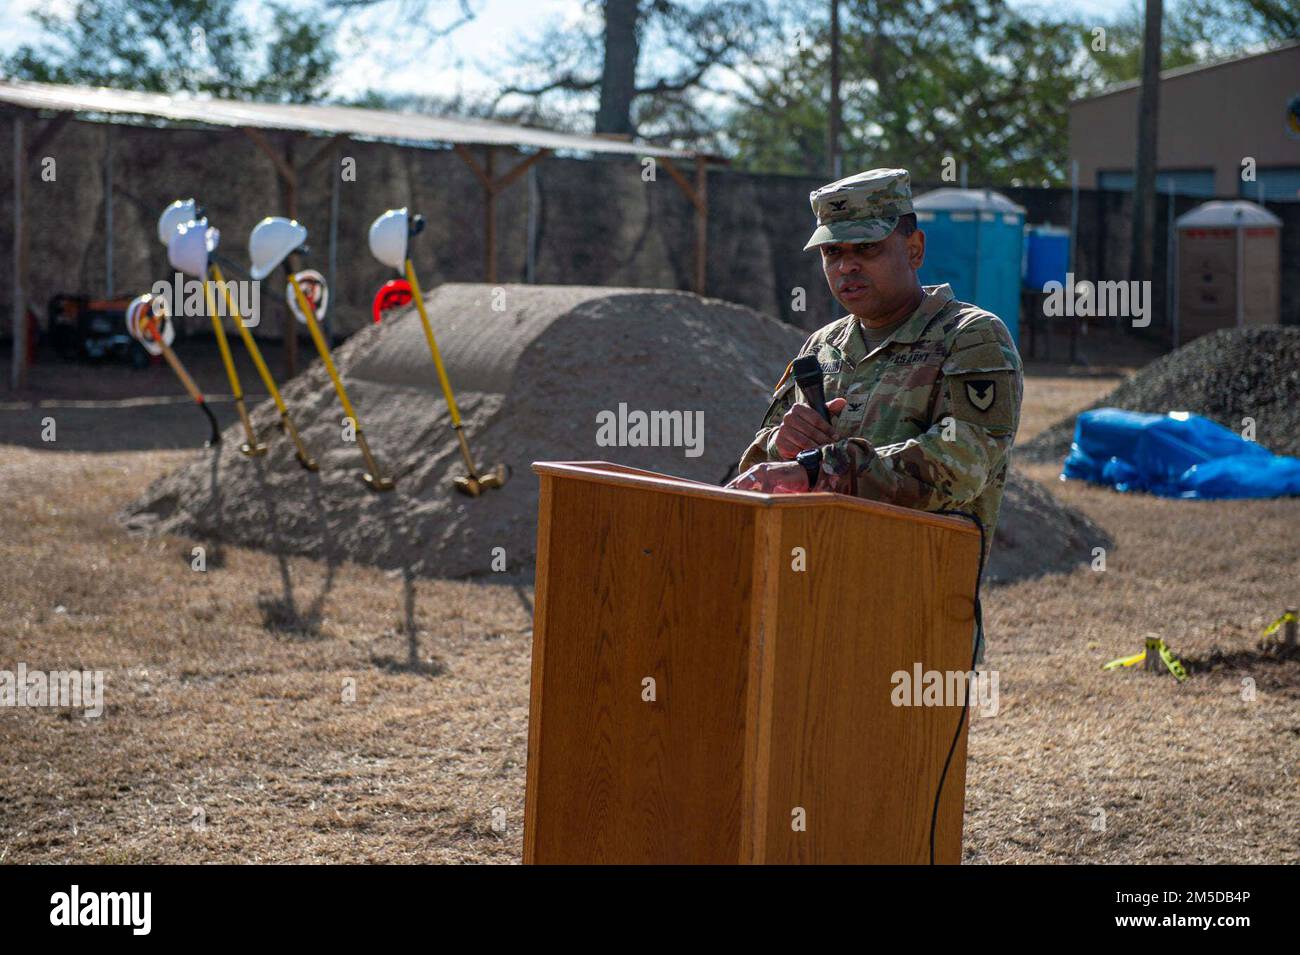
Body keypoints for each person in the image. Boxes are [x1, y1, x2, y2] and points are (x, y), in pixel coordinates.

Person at [729, 168, 1023, 657]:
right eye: (832, 253)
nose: (847, 267)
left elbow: (962, 466)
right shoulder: (821, 348)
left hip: (915, 615)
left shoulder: (969, 337)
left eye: (866, 249)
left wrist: (824, 470)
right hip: (810, 606)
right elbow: (757, 474)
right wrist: (782, 446)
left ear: (914, 250)